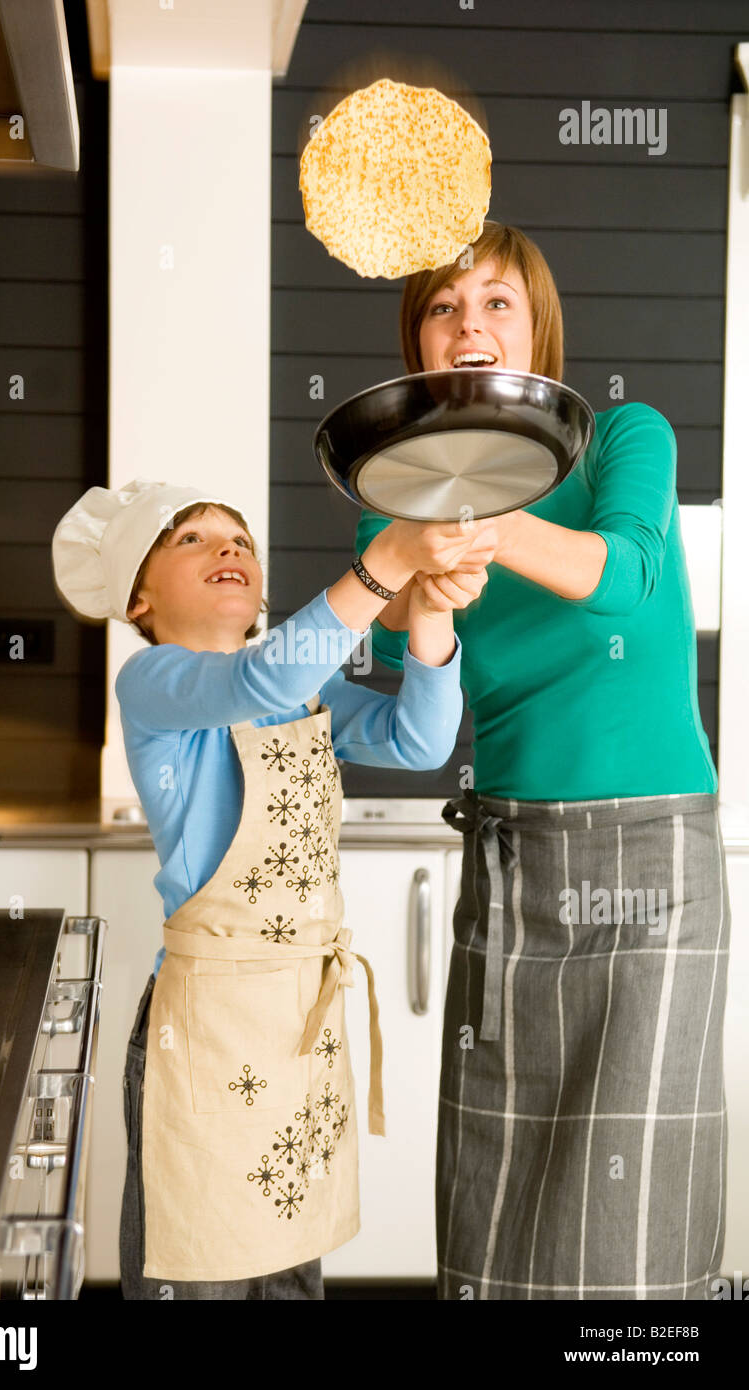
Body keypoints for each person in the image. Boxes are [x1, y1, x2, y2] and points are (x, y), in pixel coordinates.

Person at [356, 221, 730, 1301]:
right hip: (512, 863)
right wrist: (425, 592)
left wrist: (475, 515)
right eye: (442, 306)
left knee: (634, 1223)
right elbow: (421, 706)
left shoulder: (625, 437)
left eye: (494, 302)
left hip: (653, 875)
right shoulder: (395, 501)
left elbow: (620, 574)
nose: (468, 324)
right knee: (497, 1200)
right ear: (417, 341)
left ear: (535, 331)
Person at [51, 477, 496, 1299]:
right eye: (192, 539)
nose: (229, 548)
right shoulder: (153, 682)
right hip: (207, 1028)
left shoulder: (305, 689)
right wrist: (383, 564)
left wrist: (430, 609)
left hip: (300, 1022)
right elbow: (257, 682)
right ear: (139, 597)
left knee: (290, 1260)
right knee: (201, 1264)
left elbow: (419, 740)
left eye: (241, 541)